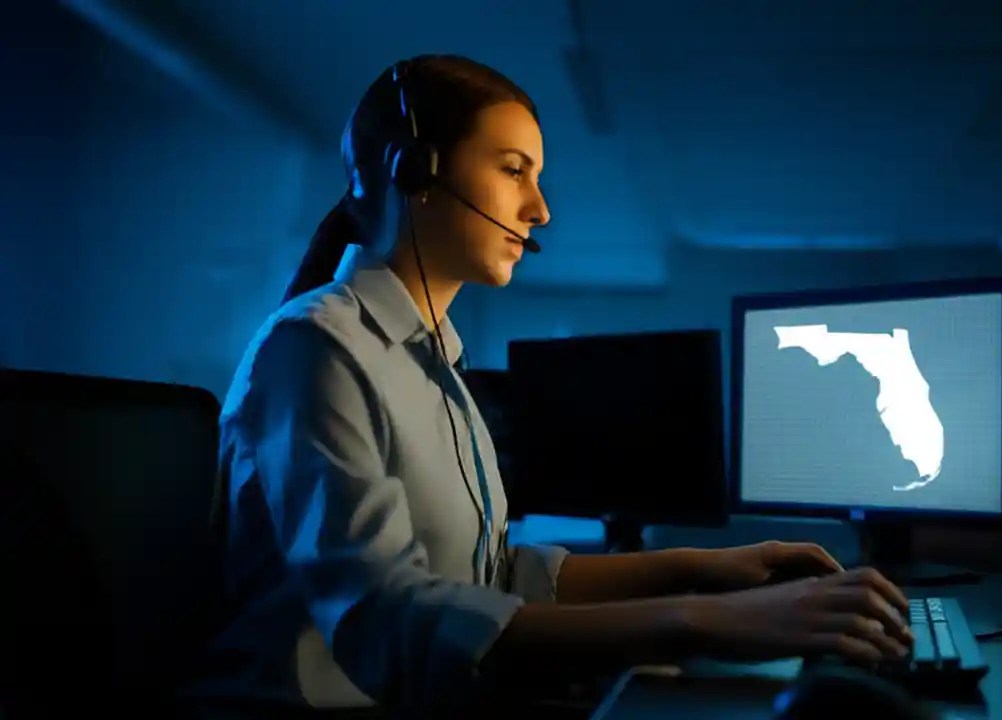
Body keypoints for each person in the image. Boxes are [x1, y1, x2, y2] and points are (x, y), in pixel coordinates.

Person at [196, 54, 913, 717]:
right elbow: (389, 619)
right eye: (514, 170)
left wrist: (714, 570)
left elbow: (494, 574)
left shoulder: (433, 360)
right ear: (417, 169)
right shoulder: (315, 348)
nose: (539, 210)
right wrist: (710, 623)